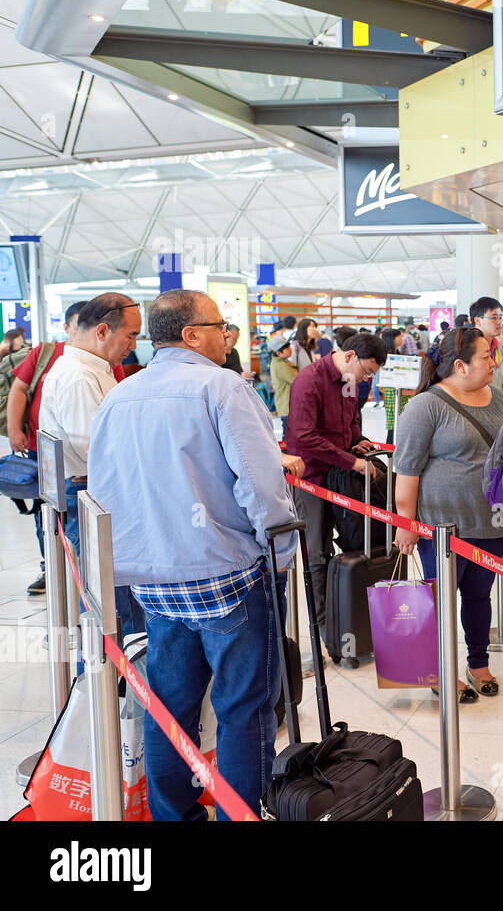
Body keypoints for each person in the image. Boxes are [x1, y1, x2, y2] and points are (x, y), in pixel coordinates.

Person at [88, 289, 299, 821]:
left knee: (169, 710)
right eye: (219, 326)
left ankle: (173, 816)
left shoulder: (120, 395)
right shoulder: (222, 387)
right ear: (190, 334)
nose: (226, 336)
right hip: (227, 576)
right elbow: (259, 482)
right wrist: (281, 550)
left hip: (155, 584)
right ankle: (238, 815)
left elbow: (105, 489)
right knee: (242, 711)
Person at [392, 328, 503, 702]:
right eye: (485, 357)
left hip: (489, 521)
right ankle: (437, 670)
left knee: (479, 596)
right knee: (439, 602)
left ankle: (478, 664)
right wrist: (406, 524)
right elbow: (406, 470)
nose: (493, 362)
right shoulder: (425, 406)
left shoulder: (499, 398)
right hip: (441, 528)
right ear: (459, 365)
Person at [39, 292, 146, 634]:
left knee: (118, 610)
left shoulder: (93, 369)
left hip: (94, 493)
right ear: (102, 331)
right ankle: (109, 686)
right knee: (115, 614)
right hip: (91, 496)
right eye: (130, 335)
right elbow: (98, 453)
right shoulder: (78, 377)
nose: (133, 345)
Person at [6, 301, 121, 594]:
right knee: (49, 517)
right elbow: (19, 388)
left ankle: (65, 578)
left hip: (70, 463)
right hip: (47, 454)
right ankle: (51, 568)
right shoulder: (50, 356)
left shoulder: (105, 361)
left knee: (77, 541)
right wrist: (14, 429)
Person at [283, 332, 388, 621]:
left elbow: (350, 421)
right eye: (367, 371)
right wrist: (352, 461)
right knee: (317, 551)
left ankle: (349, 616)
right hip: (311, 478)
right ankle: (323, 624)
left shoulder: (351, 383)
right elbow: (305, 438)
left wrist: (358, 440)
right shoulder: (309, 380)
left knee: (356, 542)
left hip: (341, 477)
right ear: (350, 356)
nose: (367, 378)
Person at [469, 297, 503, 399]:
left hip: (501, 411)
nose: (499, 322)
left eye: (500, 317)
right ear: (477, 320)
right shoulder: (468, 349)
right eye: (494, 318)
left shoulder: (499, 349)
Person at [268, 334, 298, 416]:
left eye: (289, 346)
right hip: (287, 407)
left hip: (287, 405)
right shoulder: (281, 366)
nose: (290, 349)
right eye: (286, 348)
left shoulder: (281, 362)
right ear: (278, 353)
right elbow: (297, 380)